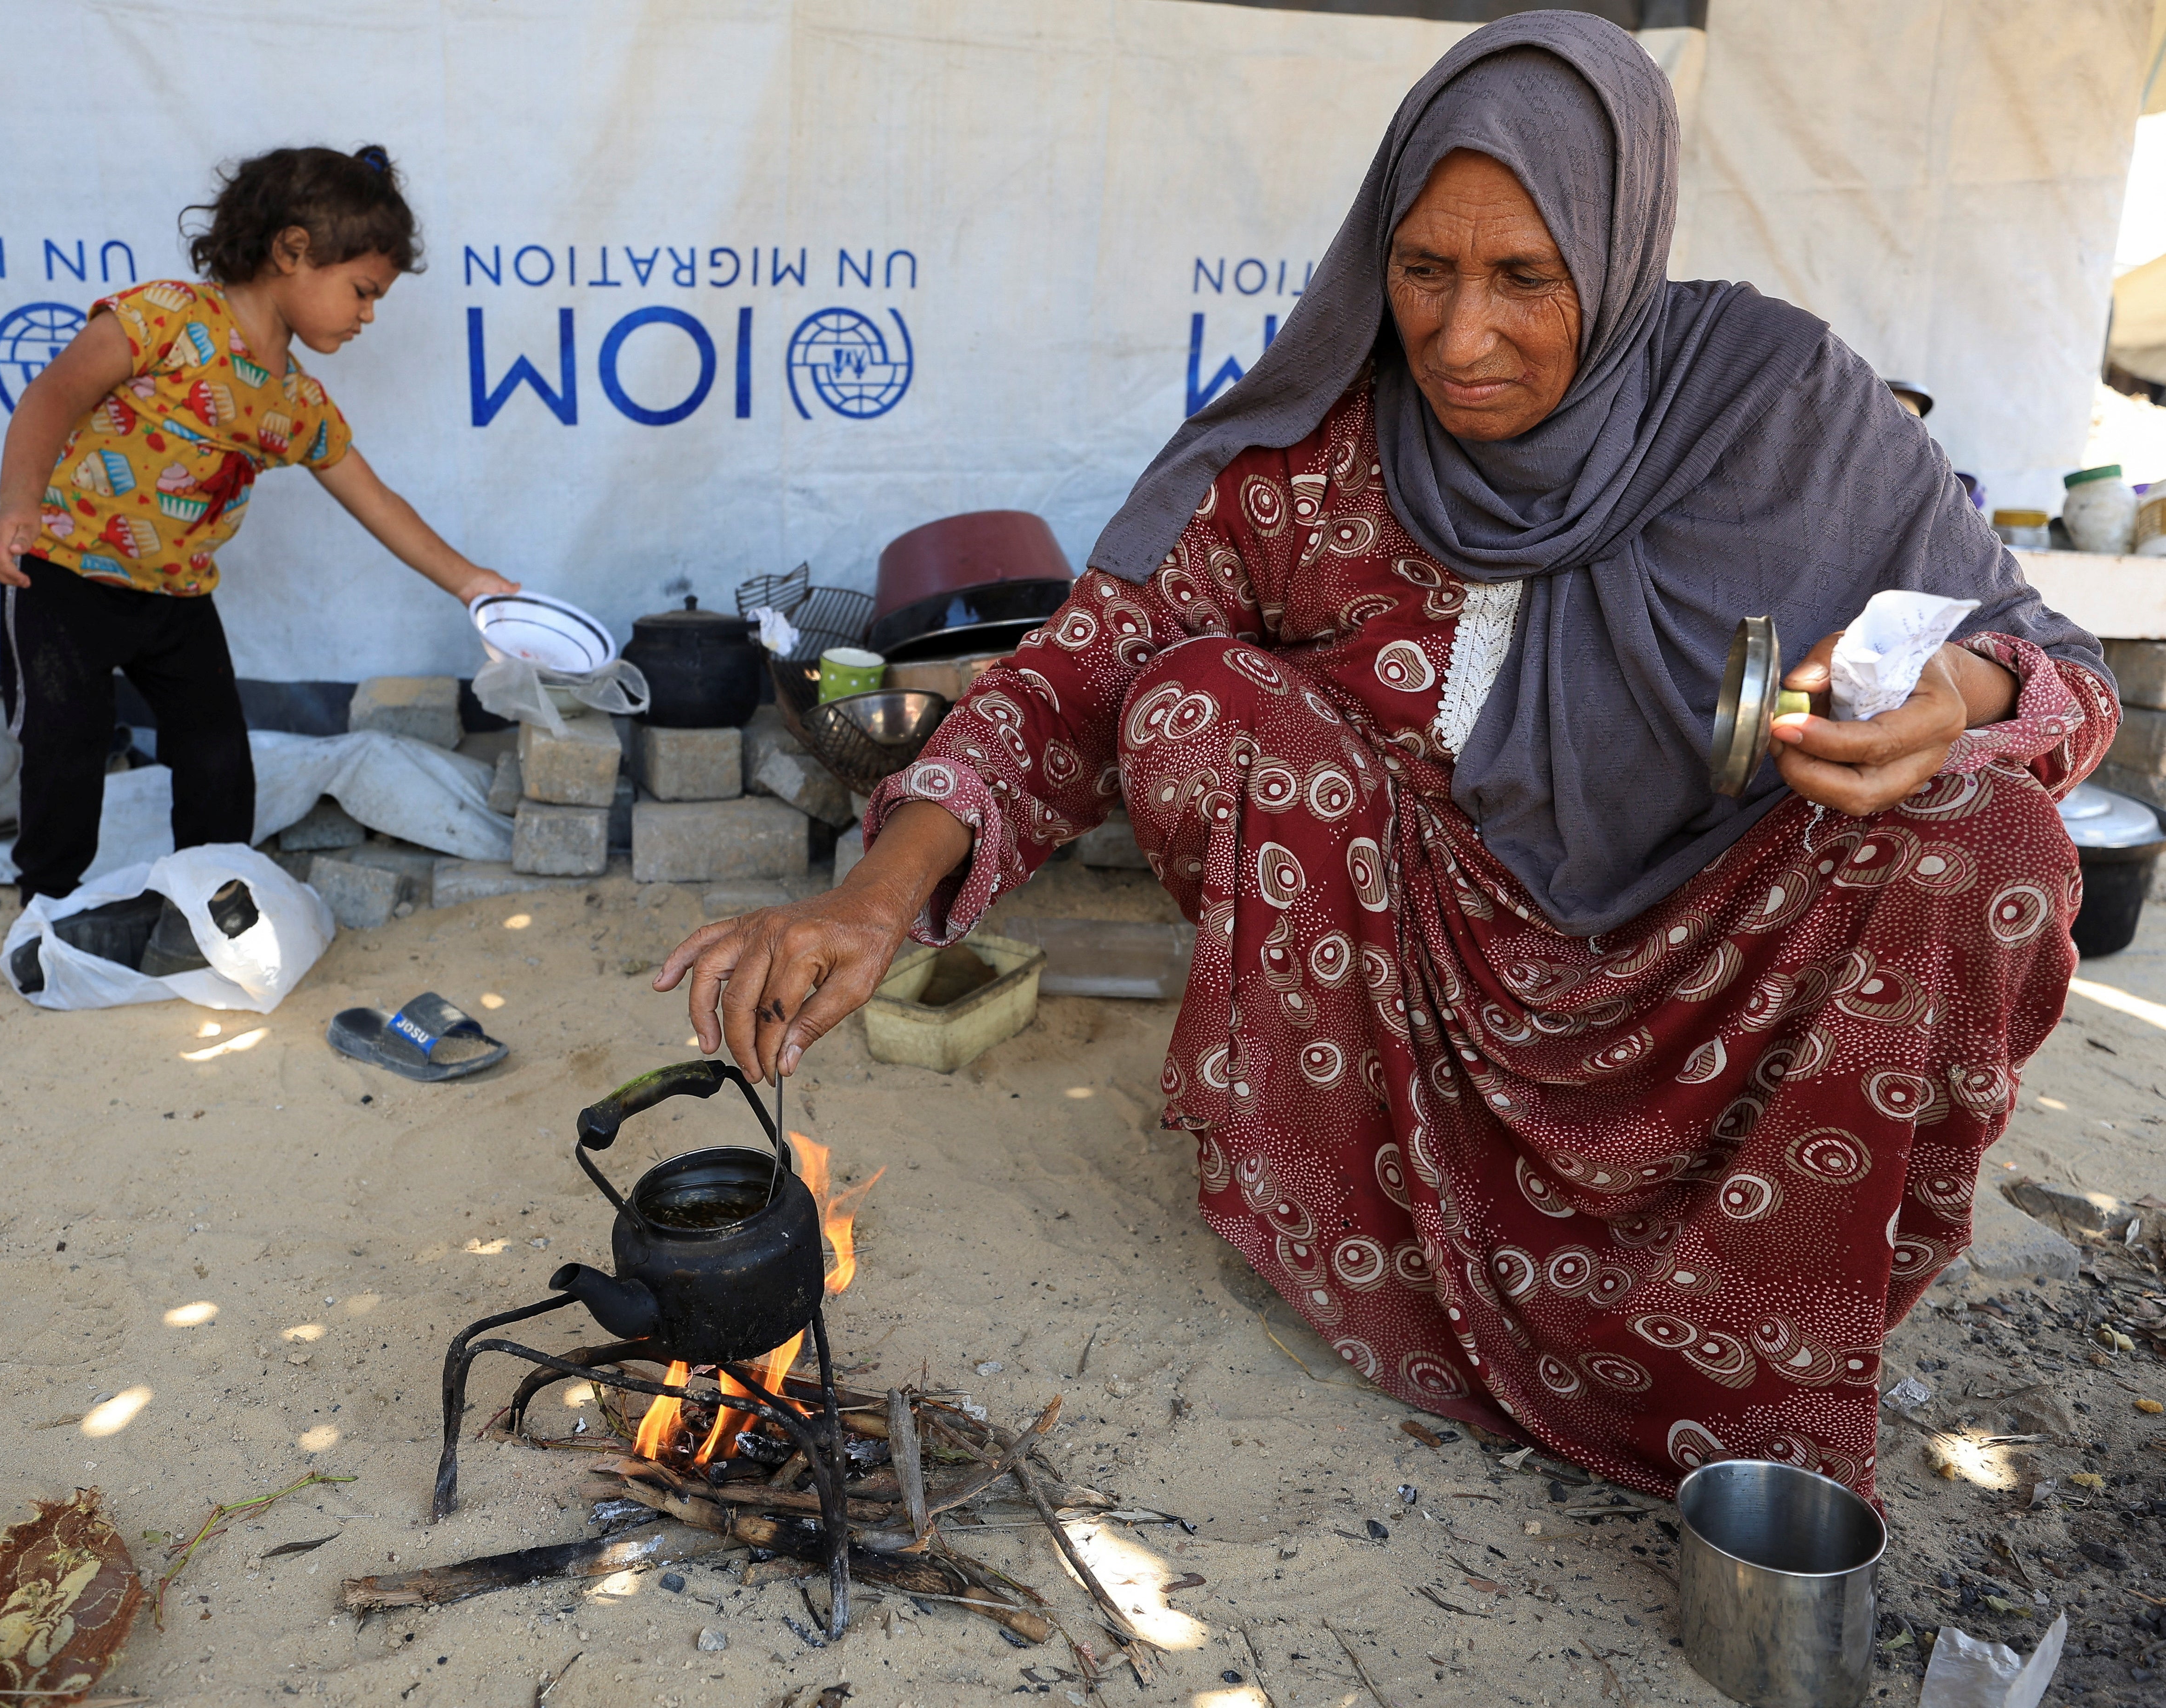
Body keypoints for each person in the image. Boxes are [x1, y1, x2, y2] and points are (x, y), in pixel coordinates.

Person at [658, 12, 2117, 1500]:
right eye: (1423, 269)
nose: (1459, 336)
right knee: (1197, 704)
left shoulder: (1777, 400)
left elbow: (2051, 664)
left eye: (1524, 278)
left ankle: (1731, 1353)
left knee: (1988, 847)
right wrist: (873, 896)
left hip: (1715, 955)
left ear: (1616, 252)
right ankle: (1362, 1254)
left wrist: (1955, 685)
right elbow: (1081, 676)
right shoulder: (1318, 454)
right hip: (1413, 987)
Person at [0, 144, 516, 902]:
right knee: (64, 746)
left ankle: (212, 898)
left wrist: (473, 584)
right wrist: (18, 500)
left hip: (177, 599)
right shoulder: (162, 319)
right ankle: (46, 905)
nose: (368, 316)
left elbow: (380, 504)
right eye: (363, 292)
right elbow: (51, 396)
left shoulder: (296, 401)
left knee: (218, 757)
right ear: (293, 250)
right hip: (63, 574)